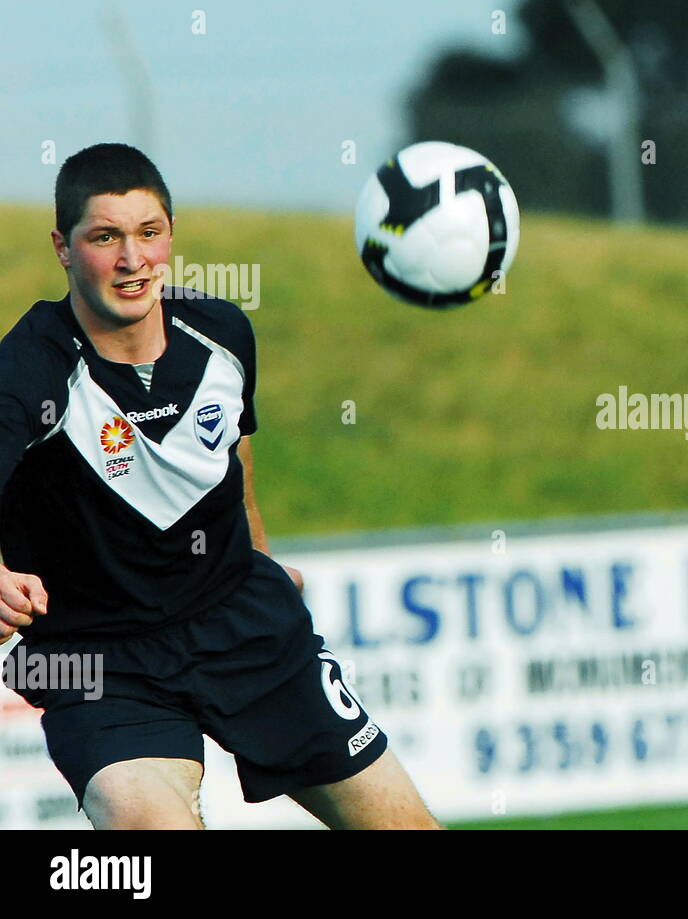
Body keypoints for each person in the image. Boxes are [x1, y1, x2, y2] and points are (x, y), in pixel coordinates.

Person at [0, 143, 439, 829]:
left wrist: (259, 554)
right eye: (104, 237)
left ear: (171, 233)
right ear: (63, 246)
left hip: (244, 628)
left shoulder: (221, 331)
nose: (131, 259)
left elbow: (235, 455)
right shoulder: (26, 370)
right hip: (101, 663)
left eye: (149, 233)